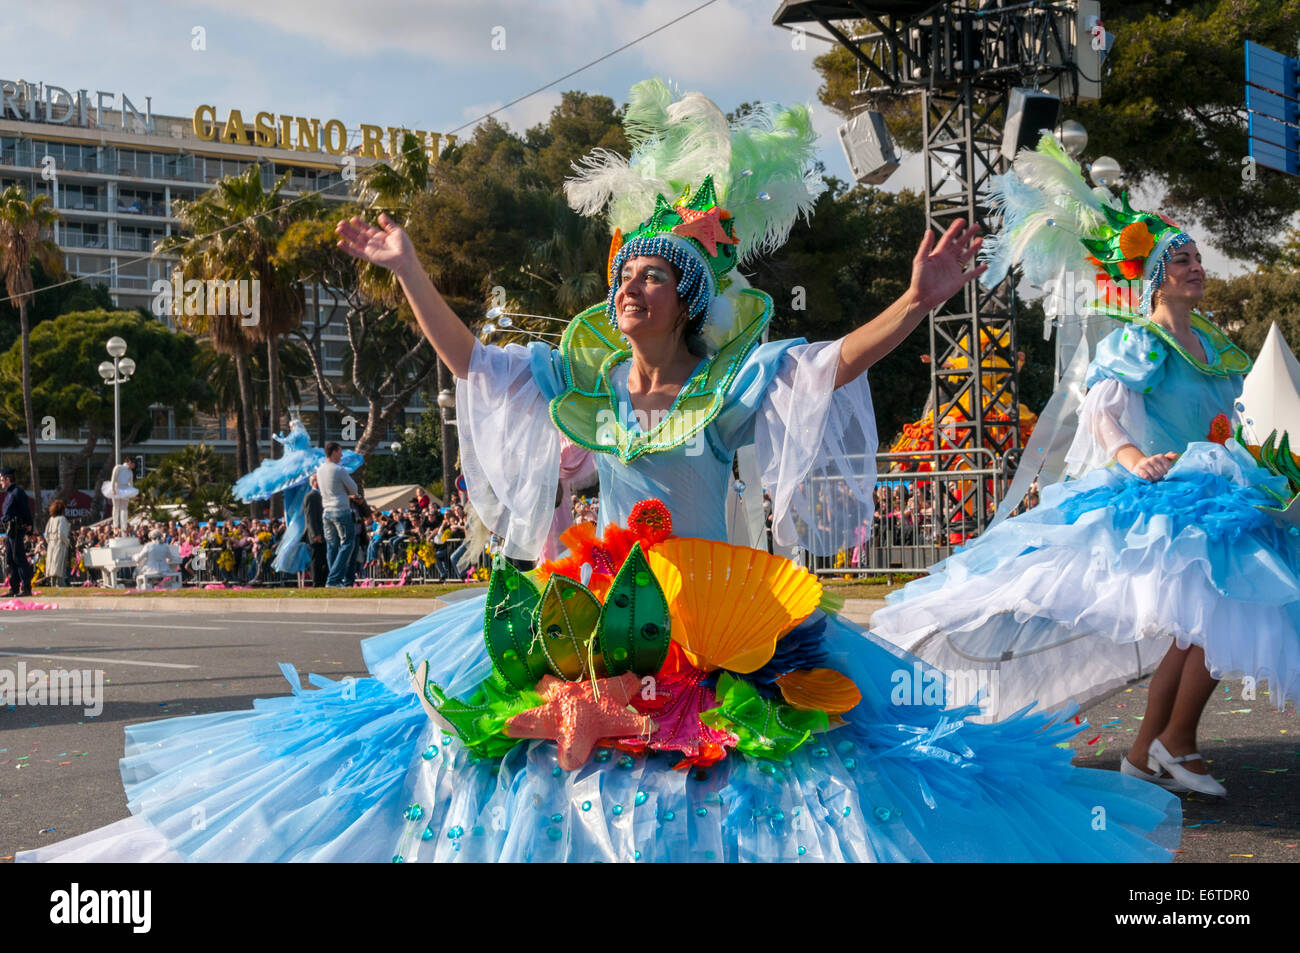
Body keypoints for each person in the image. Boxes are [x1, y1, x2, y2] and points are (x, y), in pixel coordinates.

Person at [20, 82, 1178, 863]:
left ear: (687, 300)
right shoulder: (582, 384)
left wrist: (916, 304)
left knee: (762, 783)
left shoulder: (737, 385)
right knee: (499, 761)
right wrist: (412, 265)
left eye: (652, 278)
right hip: (596, 600)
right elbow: (470, 359)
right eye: (621, 275)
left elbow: (831, 365)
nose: (630, 288)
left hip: (718, 609)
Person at [871, 133, 1300, 799]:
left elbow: (1249, 411)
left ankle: (1151, 749)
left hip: (1221, 491)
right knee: (1209, 618)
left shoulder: (1215, 343)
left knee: (1205, 622)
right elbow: (1104, 414)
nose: (1194, 266)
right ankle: (1168, 742)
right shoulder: (1141, 342)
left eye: (1195, 257)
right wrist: (1134, 459)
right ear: (1155, 276)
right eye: (1180, 258)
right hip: (1165, 494)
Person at [316, 441, 358, 588]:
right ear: (334, 452)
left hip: (326, 511)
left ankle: (334, 579)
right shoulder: (338, 469)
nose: (341, 455)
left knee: (332, 546)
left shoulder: (320, 470)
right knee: (347, 543)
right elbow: (354, 488)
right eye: (340, 452)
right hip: (340, 509)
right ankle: (333, 579)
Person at [0, 467, 33, 597]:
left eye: (2, 479)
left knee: (19, 558)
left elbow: (26, 510)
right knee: (10, 559)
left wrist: (29, 525)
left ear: (8, 479)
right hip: (9, 531)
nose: (0, 482)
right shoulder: (9, 494)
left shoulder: (17, 492)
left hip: (16, 529)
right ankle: (14, 588)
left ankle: (26, 588)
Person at [302, 474, 327, 587]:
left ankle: (324, 580)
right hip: (317, 534)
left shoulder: (322, 495)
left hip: (325, 532)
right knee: (316, 559)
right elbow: (310, 517)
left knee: (324, 559)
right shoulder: (310, 496)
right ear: (314, 482)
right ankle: (317, 582)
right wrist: (315, 534)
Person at [43, 499, 72, 587]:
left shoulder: (51, 519)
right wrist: (67, 542)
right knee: (58, 563)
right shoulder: (62, 519)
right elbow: (61, 534)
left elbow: (46, 534)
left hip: (51, 544)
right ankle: (59, 583)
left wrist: (49, 542)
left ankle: (52, 582)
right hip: (59, 543)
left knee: (51, 563)